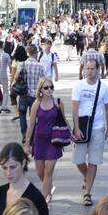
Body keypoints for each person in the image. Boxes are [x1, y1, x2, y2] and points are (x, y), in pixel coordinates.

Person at [71, 56, 108, 208]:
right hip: (82, 127)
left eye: (92, 69)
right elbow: (75, 108)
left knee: (94, 161)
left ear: (97, 70)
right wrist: (76, 128)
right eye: (87, 68)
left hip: (97, 127)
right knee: (78, 160)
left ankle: (87, 193)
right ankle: (87, 177)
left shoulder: (103, 88)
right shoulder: (79, 86)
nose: (89, 71)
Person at [23, 76, 66, 204]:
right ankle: (49, 188)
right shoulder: (37, 104)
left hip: (53, 141)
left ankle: (43, 200)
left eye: (51, 87)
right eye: (46, 87)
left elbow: (63, 120)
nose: (49, 90)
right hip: (39, 141)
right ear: (40, 89)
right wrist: (27, 144)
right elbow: (31, 125)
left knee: (48, 172)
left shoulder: (58, 102)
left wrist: (72, 133)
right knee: (40, 172)